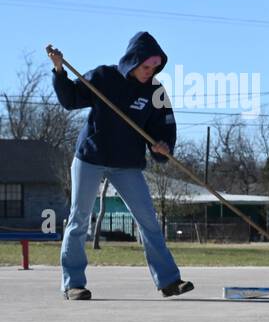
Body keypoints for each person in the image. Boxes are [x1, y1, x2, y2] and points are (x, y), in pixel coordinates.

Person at [45, 34, 193, 301]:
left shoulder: (155, 92)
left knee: (148, 220)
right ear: (133, 61)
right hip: (90, 158)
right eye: (146, 67)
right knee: (79, 219)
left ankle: (169, 281)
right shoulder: (104, 77)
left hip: (127, 165)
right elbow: (71, 99)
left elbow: (164, 127)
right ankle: (73, 284)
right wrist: (59, 70)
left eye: (155, 68)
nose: (151, 73)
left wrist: (163, 147)